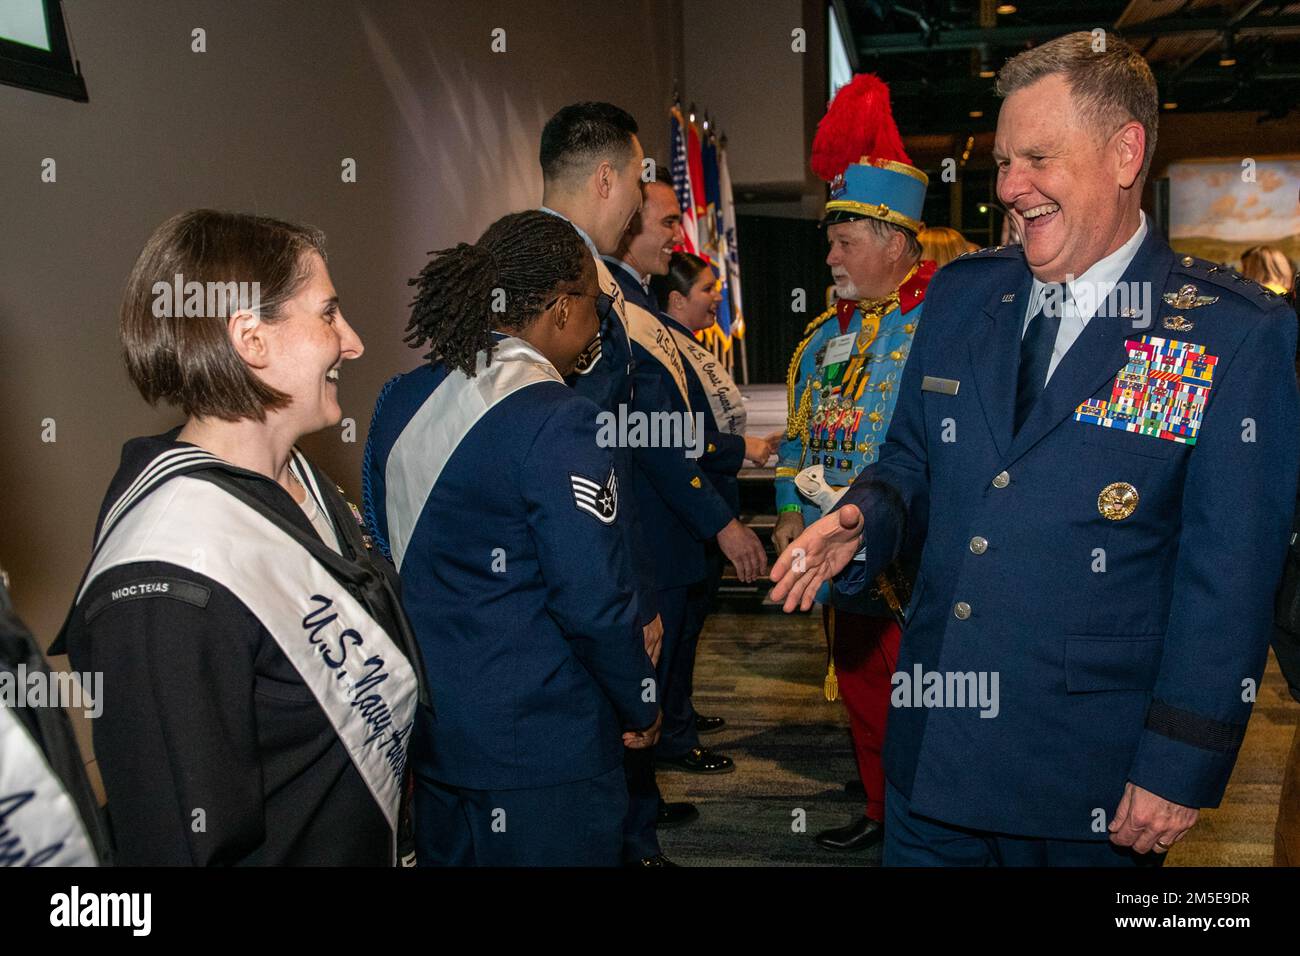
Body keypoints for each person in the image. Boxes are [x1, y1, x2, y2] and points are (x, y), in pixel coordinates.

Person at [771, 32, 1300, 866]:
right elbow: (910, 459)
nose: (1011, 188)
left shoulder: (1234, 333)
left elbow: (1230, 574)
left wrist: (1180, 760)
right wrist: (865, 515)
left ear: (1125, 152)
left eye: (1038, 159)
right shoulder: (962, 296)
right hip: (933, 755)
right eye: (1005, 162)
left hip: (1090, 779)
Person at [54, 209, 423, 866]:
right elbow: (178, 844)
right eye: (329, 314)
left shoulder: (300, 479)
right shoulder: (165, 577)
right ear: (251, 340)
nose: (354, 342)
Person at [363, 211, 659, 866]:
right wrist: (640, 698)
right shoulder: (562, 421)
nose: (598, 320)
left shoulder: (400, 399)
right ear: (560, 307)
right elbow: (592, 604)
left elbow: (384, 556)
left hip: (437, 738)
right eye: (594, 301)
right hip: (544, 749)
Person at [771, 73, 935, 853]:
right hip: (834, 562)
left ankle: (914, 816)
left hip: (917, 566)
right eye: (829, 240)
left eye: (845, 241)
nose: (829, 254)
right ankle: (879, 810)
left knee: (922, 703)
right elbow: (797, 442)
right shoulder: (821, 339)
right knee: (866, 697)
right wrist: (788, 515)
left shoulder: (941, 332)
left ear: (897, 244)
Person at [606, 184, 767, 796]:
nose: (680, 234)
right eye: (668, 220)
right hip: (653, 520)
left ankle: (643, 797)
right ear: (628, 219)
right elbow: (655, 437)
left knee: (670, 655)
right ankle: (638, 811)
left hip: (671, 518)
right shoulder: (621, 306)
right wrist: (723, 522)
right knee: (651, 664)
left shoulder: (637, 301)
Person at [650, 251, 779, 746]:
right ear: (677, 299)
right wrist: (738, 447)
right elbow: (679, 434)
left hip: (708, 500)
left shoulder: (686, 344)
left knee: (690, 629)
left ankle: (680, 714)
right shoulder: (668, 351)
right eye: (707, 289)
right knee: (678, 633)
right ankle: (675, 734)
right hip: (688, 510)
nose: (718, 298)